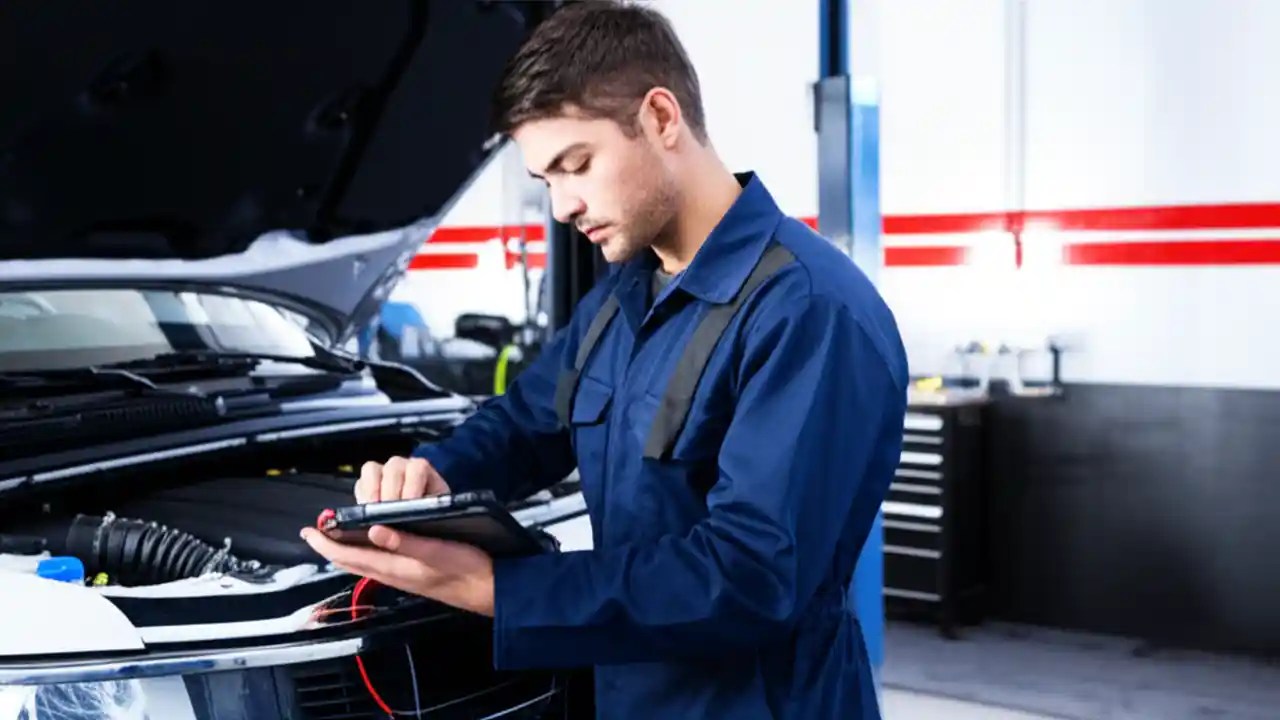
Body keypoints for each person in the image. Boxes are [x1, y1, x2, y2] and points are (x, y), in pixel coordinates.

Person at [300, 2, 908, 718]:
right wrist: (433, 477)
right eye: (546, 180)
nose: (561, 205)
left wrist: (504, 591)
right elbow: (525, 424)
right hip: (627, 691)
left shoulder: (808, 312)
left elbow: (749, 578)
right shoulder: (624, 297)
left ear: (660, 118)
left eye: (576, 165)